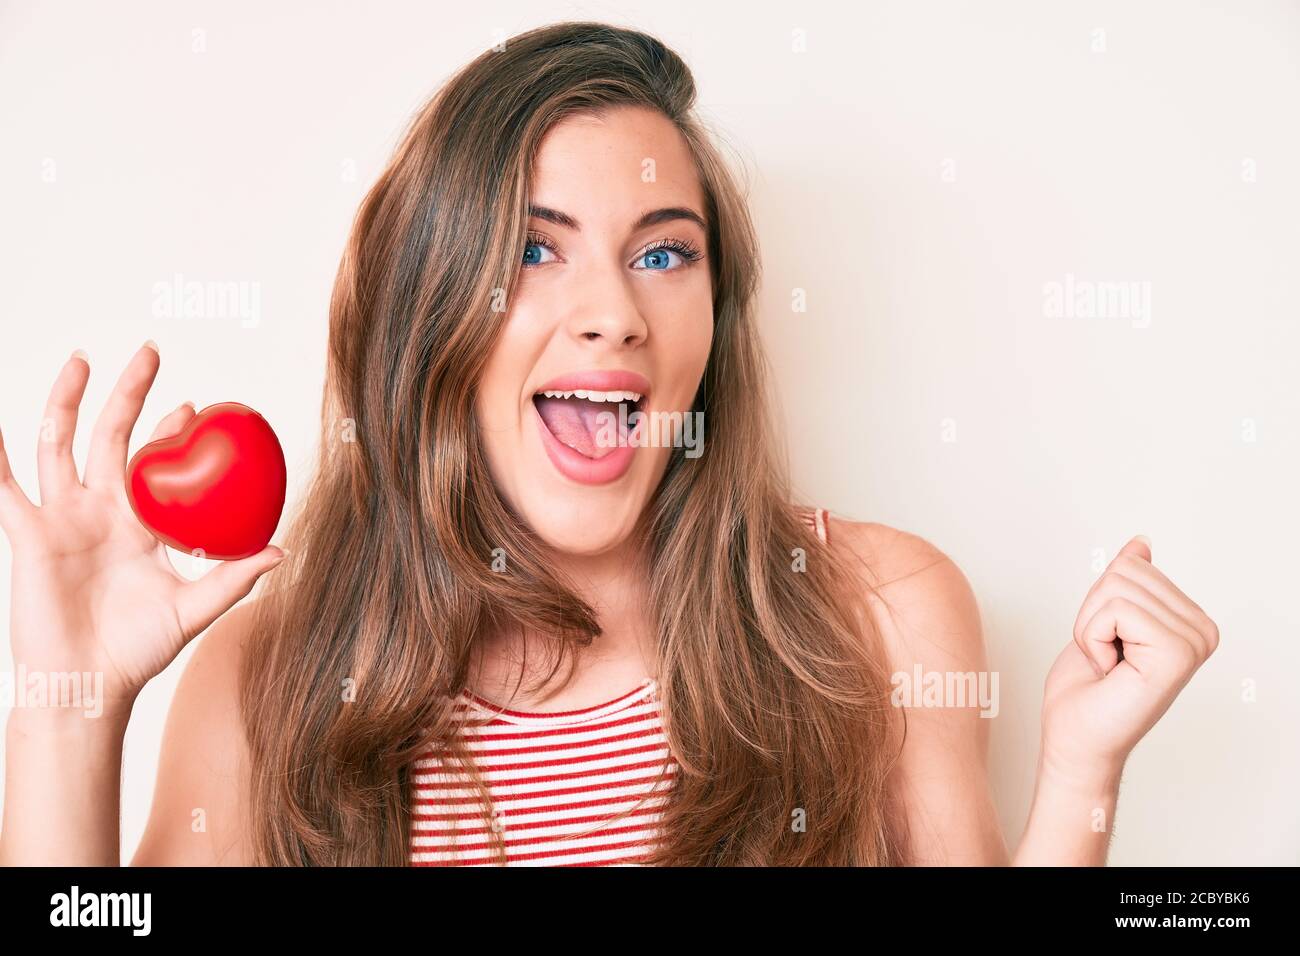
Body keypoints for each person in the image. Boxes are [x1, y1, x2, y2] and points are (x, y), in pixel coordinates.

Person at [0, 22, 1218, 867]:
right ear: (431, 313)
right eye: (535, 248)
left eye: (662, 250)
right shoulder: (275, 674)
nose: (613, 310)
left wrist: (1079, 769)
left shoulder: (879, 612)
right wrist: (69, 709)